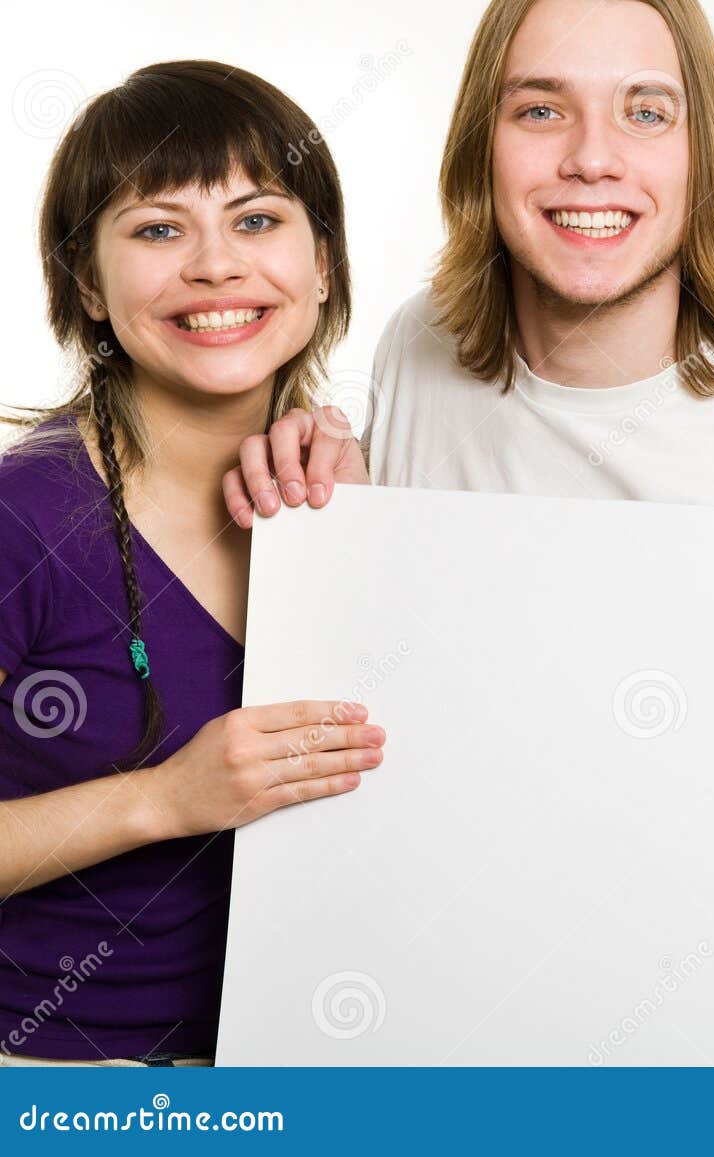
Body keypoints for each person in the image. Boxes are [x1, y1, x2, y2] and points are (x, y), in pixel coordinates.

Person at [0, 61, 386, 1066]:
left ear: (324, 264)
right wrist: (163, 798)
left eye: (257, 220)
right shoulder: (23, 516)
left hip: (314, 1062)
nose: (217, 266)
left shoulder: (375, 499)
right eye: (159, 228)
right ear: (87, 280)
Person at [223, 0, 714, 522]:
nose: (592, 157)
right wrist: (348, 526)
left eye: (645, 112)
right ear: (483, 147)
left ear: (701, 159)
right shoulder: (418, 341)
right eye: (542, 110)